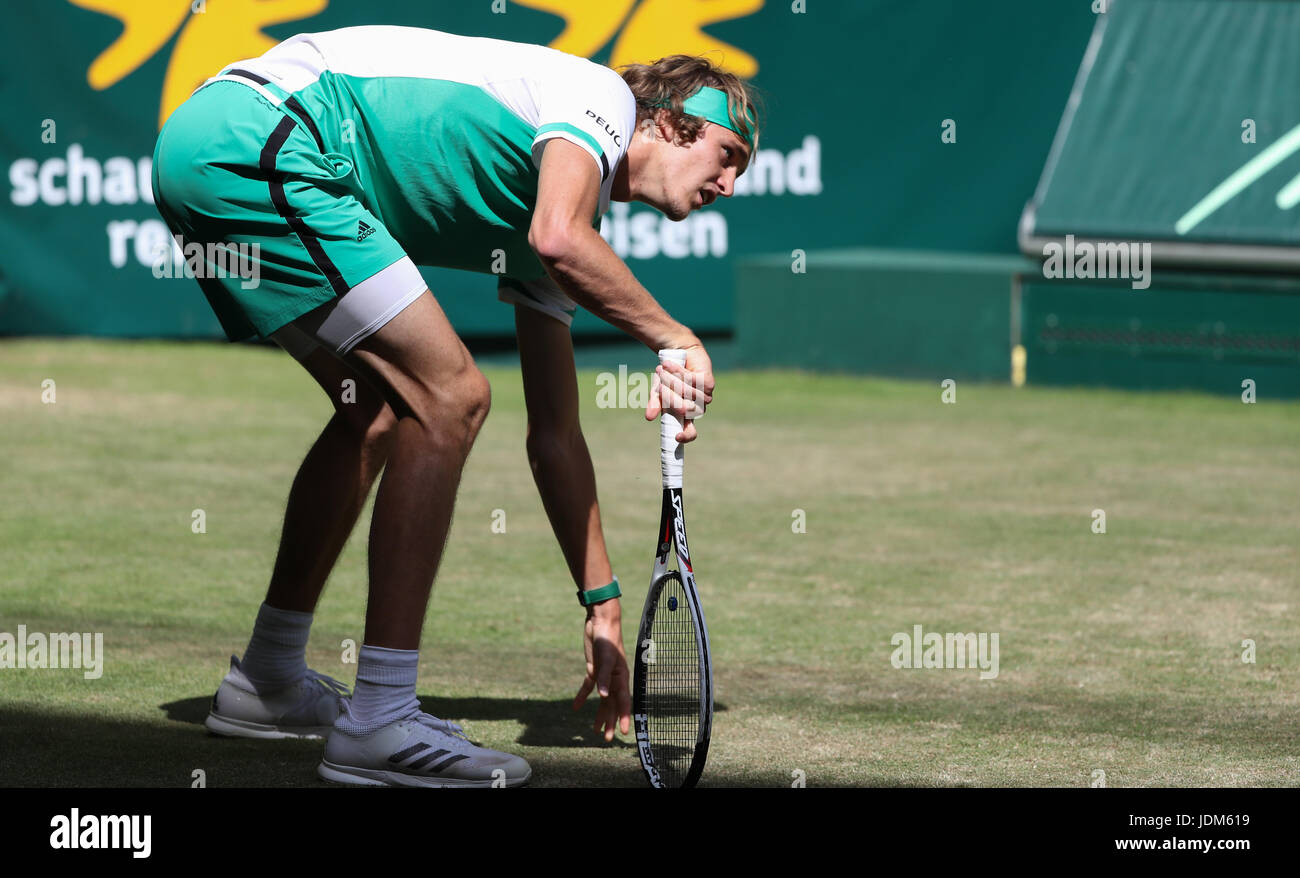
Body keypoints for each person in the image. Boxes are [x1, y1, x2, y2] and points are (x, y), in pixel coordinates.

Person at [151, 24, 758, 788]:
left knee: (374, 408)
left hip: (213, 146)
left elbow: (555, 435)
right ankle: (379, 719)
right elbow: (561, 239)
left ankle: (267, 680)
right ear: (672, 122)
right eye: (727, 156)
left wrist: (601, 600)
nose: (730, 186)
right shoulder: (598, 100)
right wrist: (673, 338)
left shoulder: (566, 204)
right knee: (453, 396)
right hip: (256, 139)